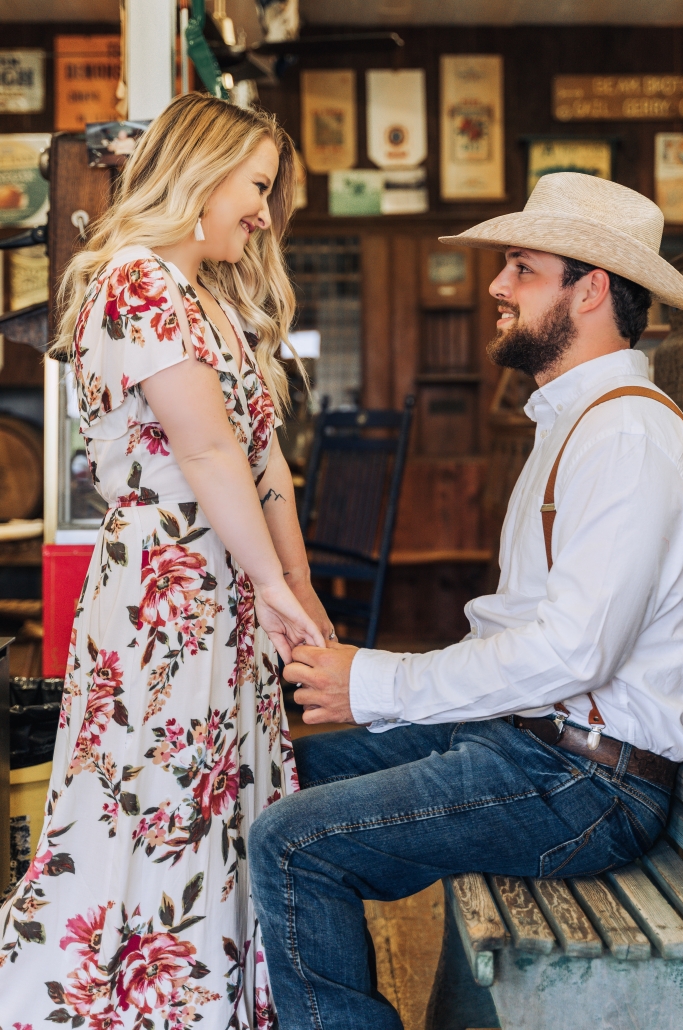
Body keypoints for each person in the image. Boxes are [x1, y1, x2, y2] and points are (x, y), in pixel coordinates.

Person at [248, 172, 683, 1029]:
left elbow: (577, 654)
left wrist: (378, 686)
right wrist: (379, 686)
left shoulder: (627, 436)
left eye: (521, 269)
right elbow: (530, 638)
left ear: (592, 290)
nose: (497, 289)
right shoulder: (578, 421)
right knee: (279, 778)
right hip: (533, 743)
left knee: (295, 844)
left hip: (587, 783)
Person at [0, 93, 331, 1029]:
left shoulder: (212, 301)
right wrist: (272, 583)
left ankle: (210, 988)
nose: (263, 212)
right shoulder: (136, 280)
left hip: (224, 579)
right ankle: (158, 996)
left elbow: (266, 463)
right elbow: (207, 452)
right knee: (165, 785)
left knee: (220, 783)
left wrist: (294, 587)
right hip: (169, 583)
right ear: (203, 172)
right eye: (257, 187)